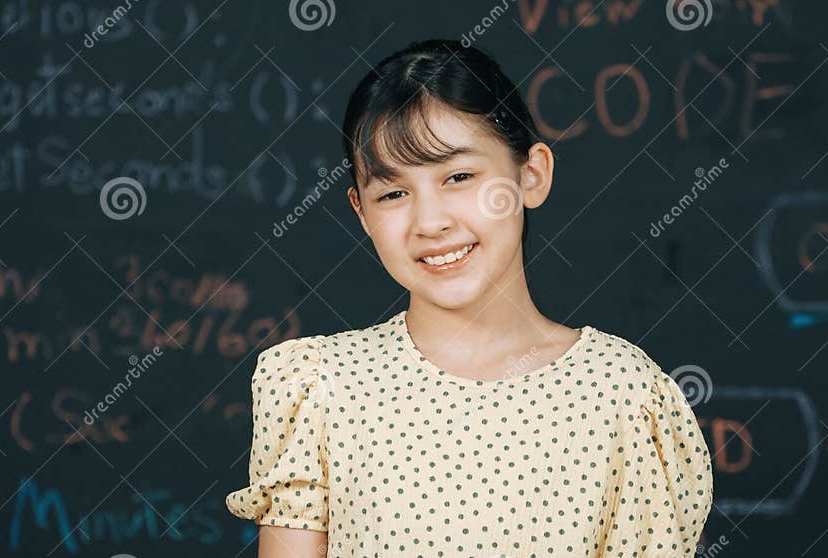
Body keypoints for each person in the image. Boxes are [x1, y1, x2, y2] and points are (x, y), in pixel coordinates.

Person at [226, 38, 713, 557]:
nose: (431, 221)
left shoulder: (623, 394)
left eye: (458, 177)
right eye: (393, 193)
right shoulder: (319, 387)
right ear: (362, 213)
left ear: (531, 175)